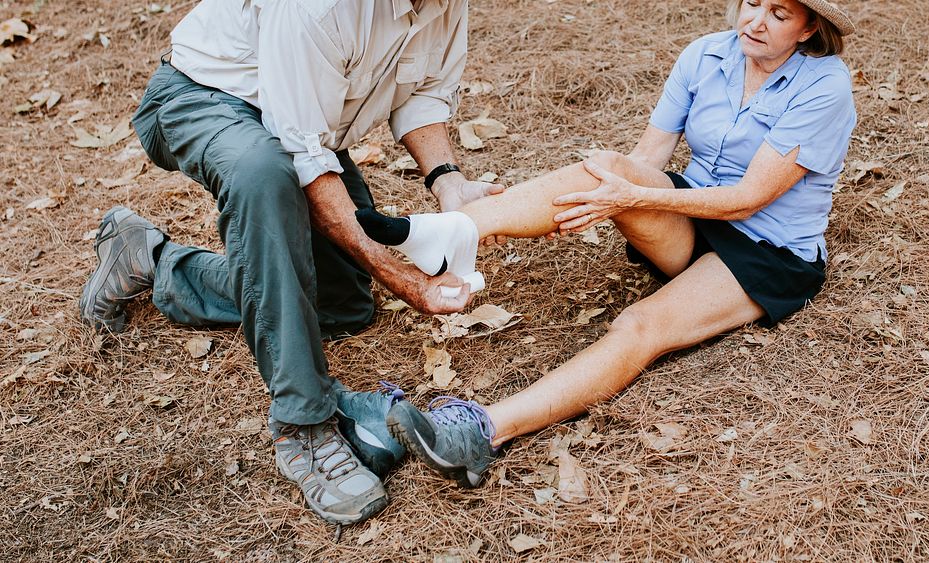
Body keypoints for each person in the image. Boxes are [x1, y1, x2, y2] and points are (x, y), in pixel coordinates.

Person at [361, 0, 858, 488]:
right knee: (609, 166)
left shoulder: (826, 85)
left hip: (767, 249)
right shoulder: (707, 54)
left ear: (809, 27)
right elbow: (644, 159)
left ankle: (480, 431)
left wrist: (630, 196)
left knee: (640, 324)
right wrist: (614, 194)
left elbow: (747, 200)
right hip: (692, 213)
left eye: (779, 13)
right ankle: (459, 229)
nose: (755, 21)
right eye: (753, 2)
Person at [78, 0, 500, 525]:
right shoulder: (318, 7)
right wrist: (399, 276)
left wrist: (447, 180)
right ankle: (304, 423)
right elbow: (303, 160)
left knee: (340, 303)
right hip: (204, 96)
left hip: (299, 121)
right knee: (265, 173)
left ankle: (153, 259)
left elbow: (425, 95)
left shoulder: (443, 4)